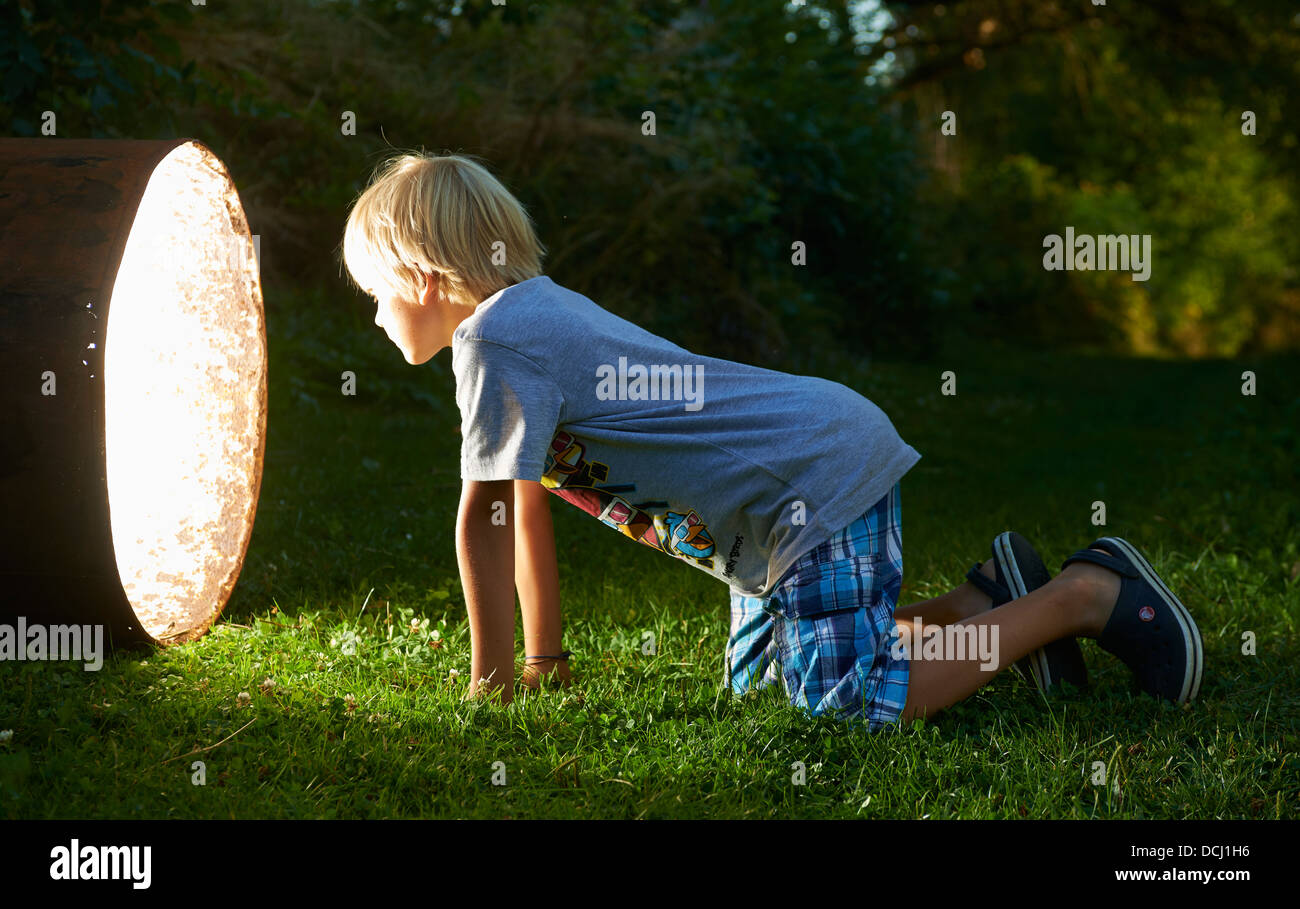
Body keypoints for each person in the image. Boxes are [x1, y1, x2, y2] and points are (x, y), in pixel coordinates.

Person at [341, 151, 1204, 729]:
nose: (377, 316)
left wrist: (491, 686)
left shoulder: (494, 337)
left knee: (841, 701)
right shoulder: (530, 317)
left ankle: (1081, 596)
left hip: (806, 479)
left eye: (378, 293)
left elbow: (484, 519)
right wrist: (543, 658)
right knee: (765, 692)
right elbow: (523, 513)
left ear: (424, 276)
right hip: (780, 500)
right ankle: (981, 607)